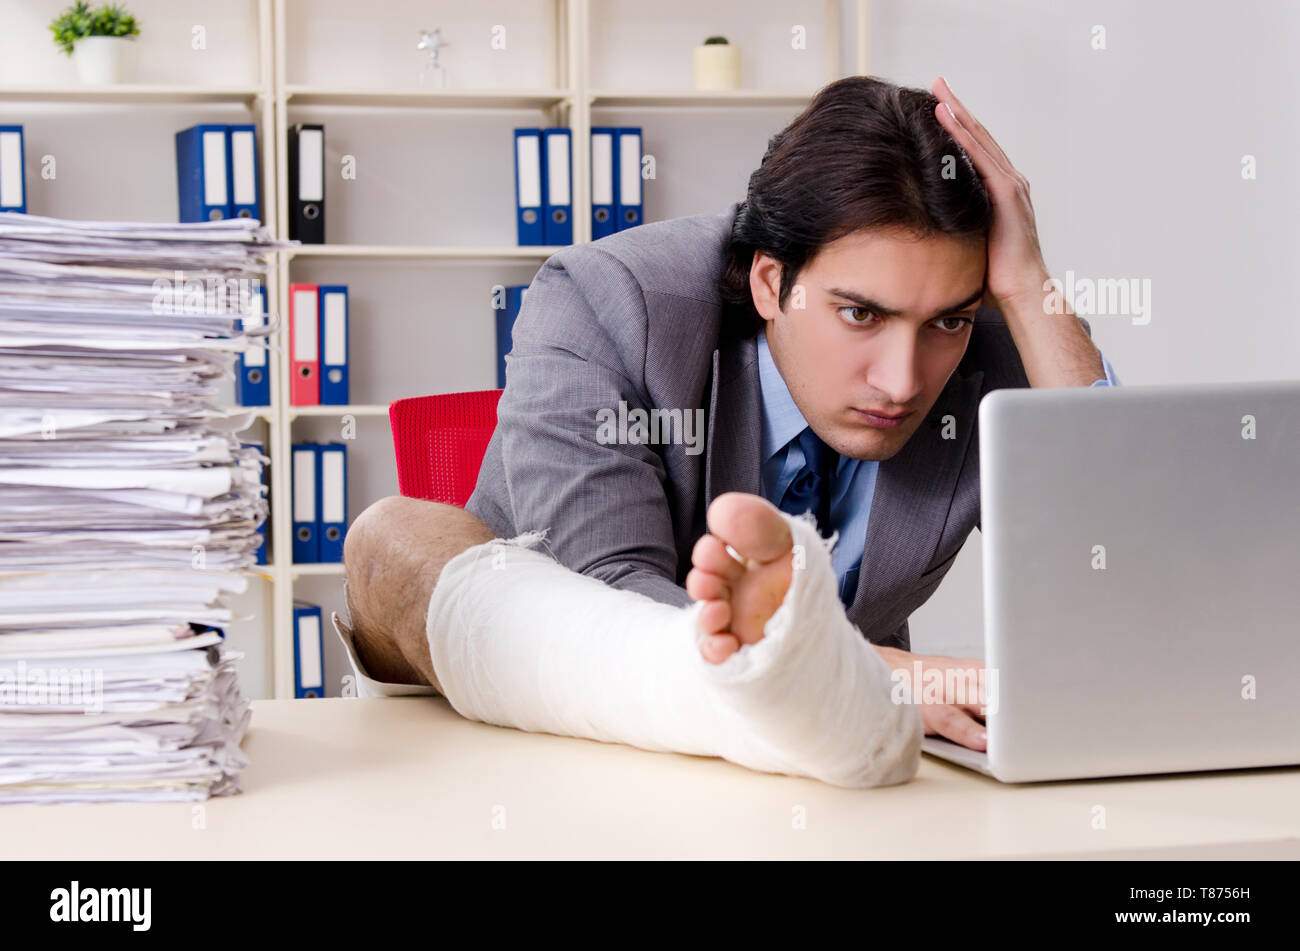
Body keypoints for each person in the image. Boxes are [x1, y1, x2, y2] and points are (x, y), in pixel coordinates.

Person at [337, 75, 1120, 781]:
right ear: (772, 281)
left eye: (947, 320)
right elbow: (608, 597)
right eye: (859, 314)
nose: (903, 379)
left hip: (832, 784)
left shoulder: (976, 336)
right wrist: (853, 671)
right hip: (563, 762)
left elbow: (1118, 550)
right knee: (392, 533)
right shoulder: (608, 304)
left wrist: (1027, 286)